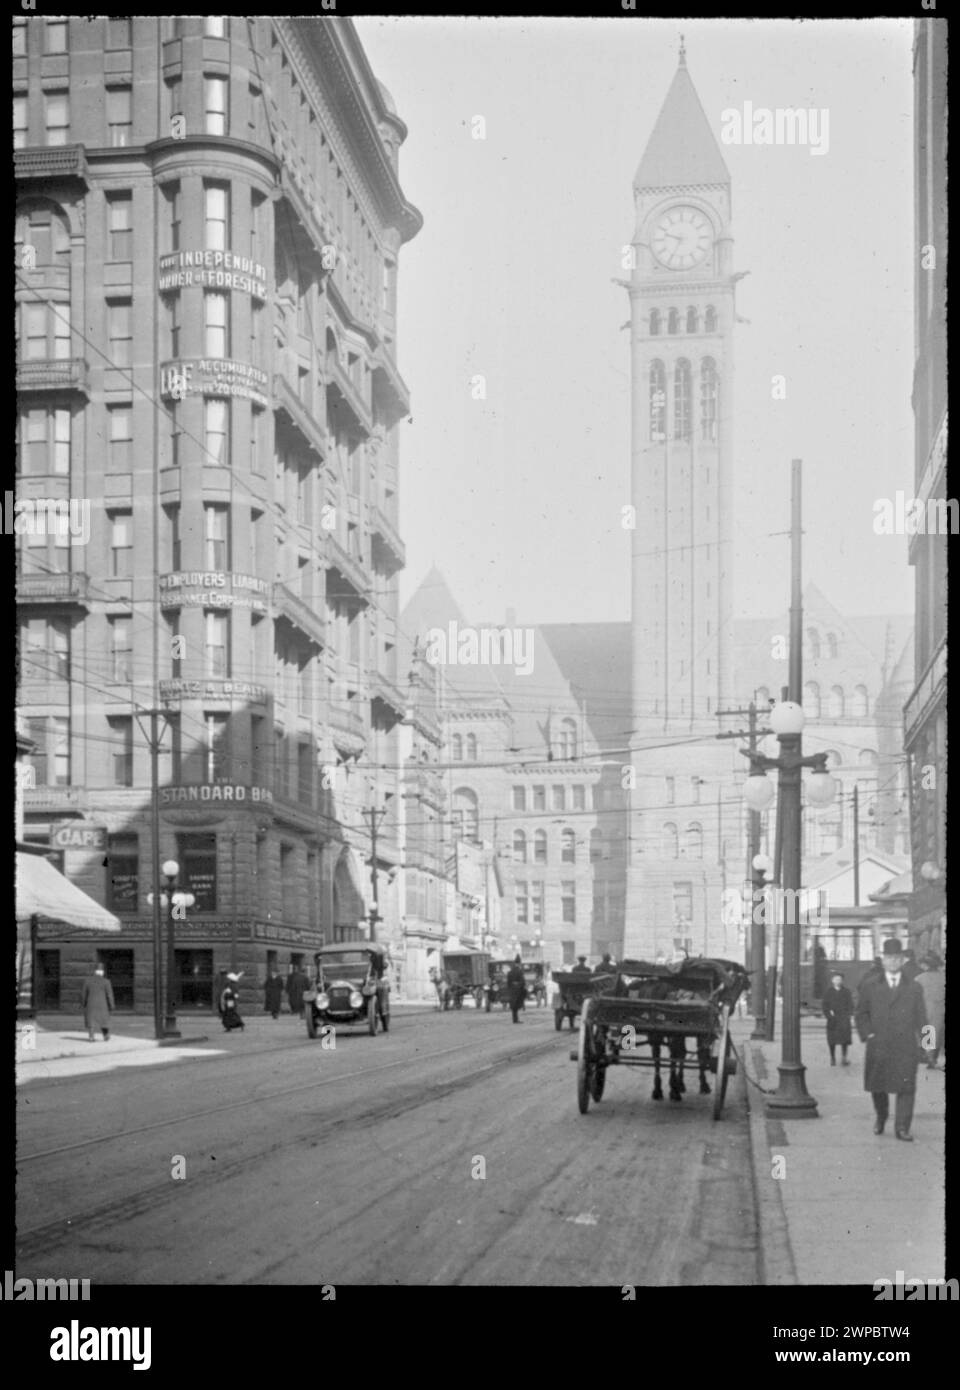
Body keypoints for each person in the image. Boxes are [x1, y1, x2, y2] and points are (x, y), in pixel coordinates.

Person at [855, 938, 927, 1141]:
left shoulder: (914, 987)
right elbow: (861, 1013)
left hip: (906, 1048)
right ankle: (881, 1116)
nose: (893, 962)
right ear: (883, 960)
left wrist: (928, 1046)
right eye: (889, 958)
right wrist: (867, 1033)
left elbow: (923, 1018)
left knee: (906, 1088)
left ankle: (902, 1127)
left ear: (902, 960)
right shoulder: (870, 985)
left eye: (897, 958)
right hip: (879, 1045)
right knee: (878, 1086)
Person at [915, 953, 944, 1068]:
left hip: (925, 1009)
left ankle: (929, 1057)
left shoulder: (919, 978)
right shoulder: (943, 977)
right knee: (938, 1034)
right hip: (940, 1010)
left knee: (927, 1032)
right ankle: (933, 1057)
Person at [821, 970, 854, 1065]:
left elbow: (851, 1005)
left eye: (839, 979)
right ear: (832, 980)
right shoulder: (828, 992)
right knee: (832, 1040)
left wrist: (848, 1015)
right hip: (833, 1019)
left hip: (843, 1019)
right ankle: (832, 1058)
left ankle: (844, 1058)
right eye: (836, 979)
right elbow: (825, 1006)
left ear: (842, 981)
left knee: (845, 1040)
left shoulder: (846, 991)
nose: (838, 981)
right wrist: (829, 1016)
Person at [81, 962, 115, 1042]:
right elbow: (109, 995)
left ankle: (91, 1036)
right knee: (104, 1021)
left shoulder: (87, 981)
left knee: (91, 1022)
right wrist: (111, 1005)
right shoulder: (106, 982)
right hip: (103, 1005)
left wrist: (83, 1004)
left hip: (91, 1005)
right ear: (102, 972)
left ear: (94, 971)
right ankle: (106, 1035)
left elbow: (83, 994)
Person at [506, 955, 526, 1024]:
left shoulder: (510, 972)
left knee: (513, 1005)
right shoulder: (520, 971)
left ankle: (515, 1019)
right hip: (518, 990)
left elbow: (508, 982)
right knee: (517, 1004)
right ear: (519, 963)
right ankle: (516, 1019)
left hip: (512, 990)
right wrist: (521, 987)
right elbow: (522, 982)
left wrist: (510, 988)